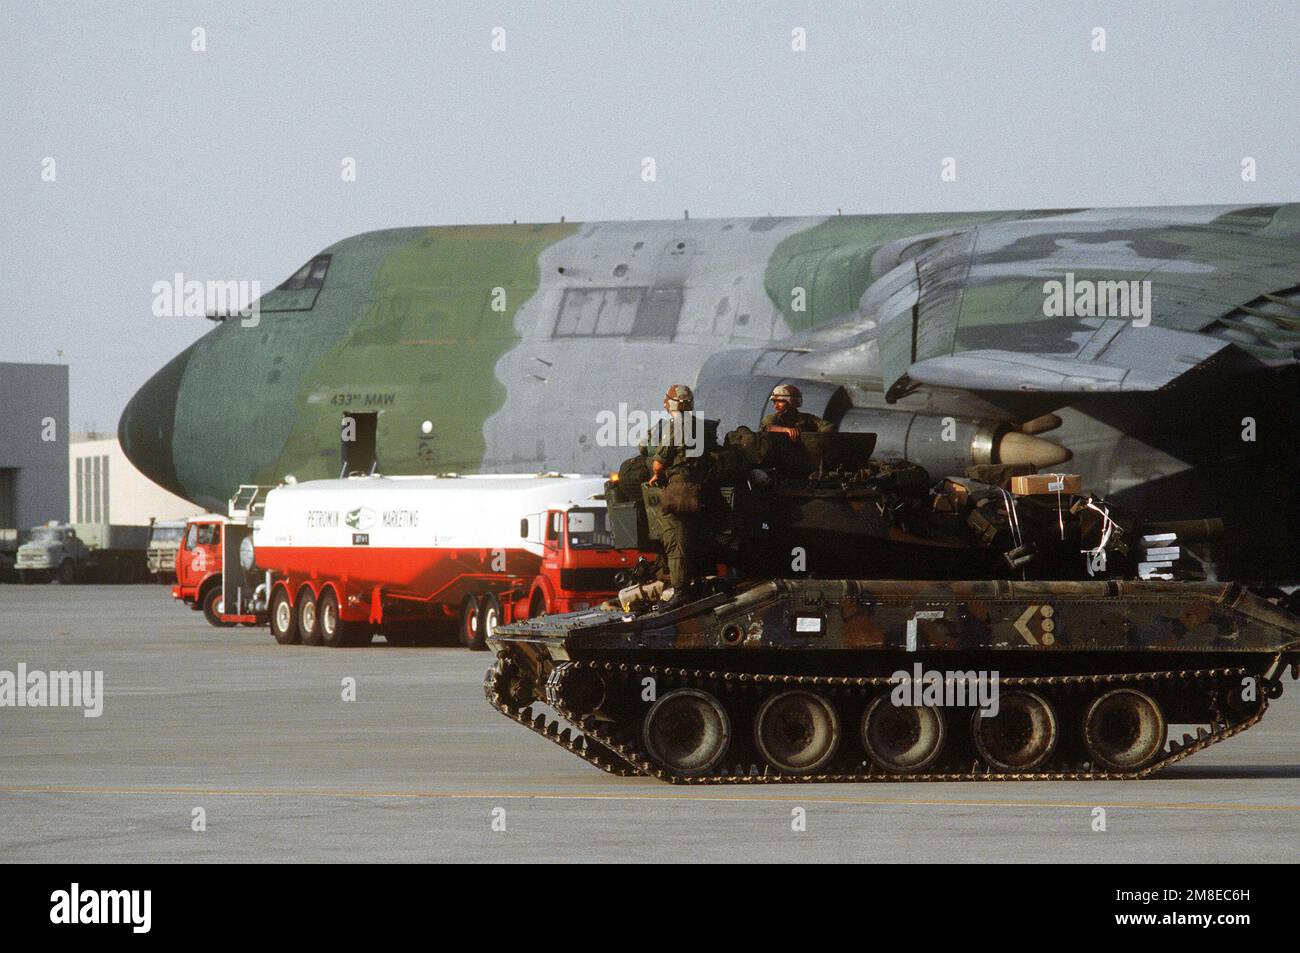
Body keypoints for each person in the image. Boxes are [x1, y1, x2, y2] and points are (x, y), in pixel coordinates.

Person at [641, 384, 707, 605]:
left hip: (678, 490)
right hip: (697, 488)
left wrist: (654, 470)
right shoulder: (699, 425)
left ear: (672, 403)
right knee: (691, 538)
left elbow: (660, 462)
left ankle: (680, 591)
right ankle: (696, 584)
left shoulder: (676, 425)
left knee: (675, 540)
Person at [760, 384, 835, 441]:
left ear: (792, 402)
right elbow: (768, 427)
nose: (776, 406)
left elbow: (828, 427)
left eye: (780, 402)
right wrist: (785, 430)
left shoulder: (807, 418)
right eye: (774, 402)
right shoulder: (773, 418)